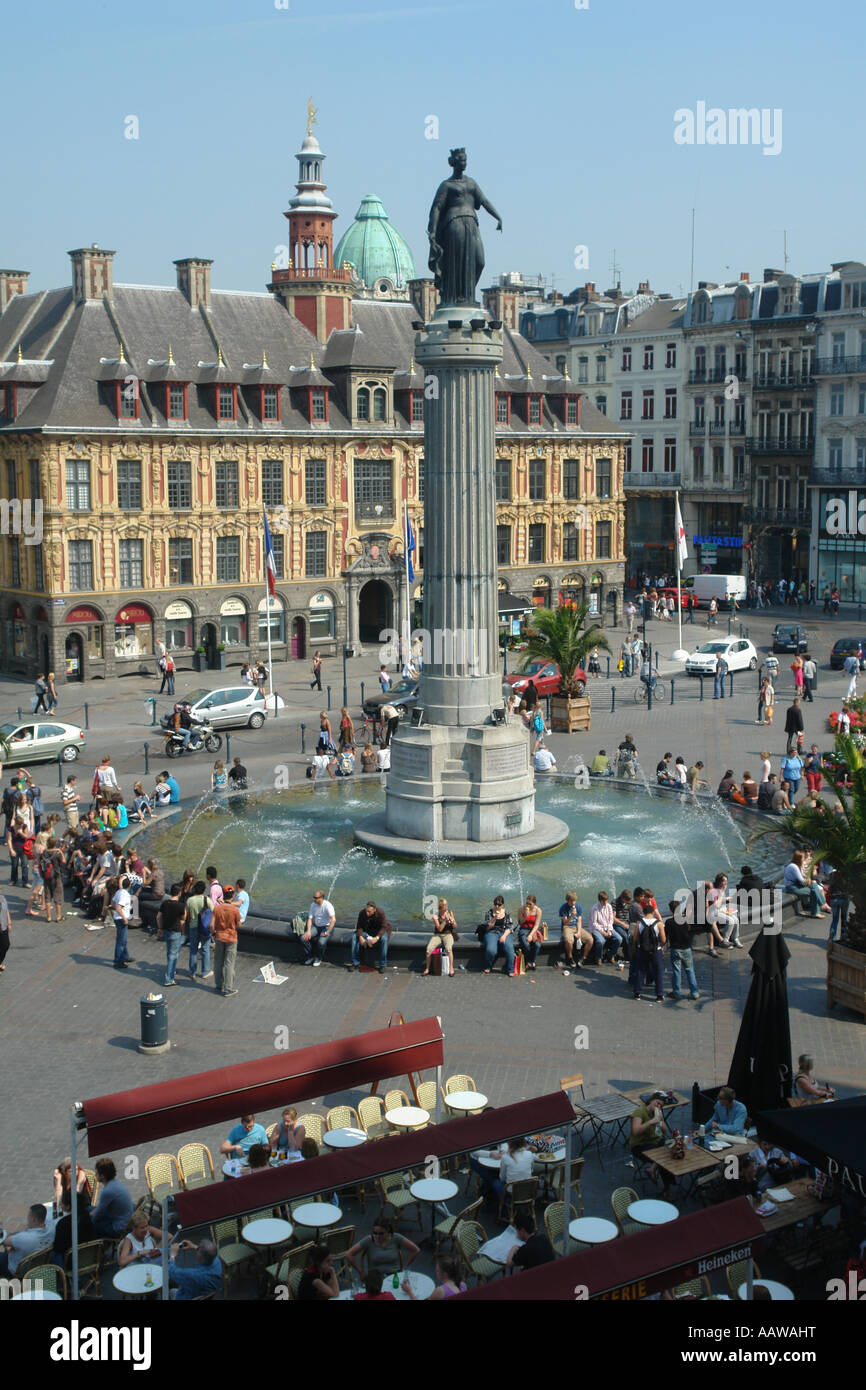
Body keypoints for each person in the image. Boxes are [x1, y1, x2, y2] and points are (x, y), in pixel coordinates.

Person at [347, 1219, 419, 1281]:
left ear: (388, 1231)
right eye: (375, 1233)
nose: (377, 1236)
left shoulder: (396, 1237)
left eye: (381, 1233)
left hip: (393, 1276)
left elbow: (416, 1250)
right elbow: (349, 1254)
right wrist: (361, 1272)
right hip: (375, 1277)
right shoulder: (369, 1240)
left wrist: (404, 1267)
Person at [629, 1093, 673, 1192]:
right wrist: (651, 1122)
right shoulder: (640, 1112)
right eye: (657, 1103)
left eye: (660, 1106)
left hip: (655, 1141)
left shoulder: (657, 1113)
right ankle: (668, 1189)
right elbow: (636, 1131)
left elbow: (665, 1131)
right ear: (651, 1100)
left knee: (671, 1148)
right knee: (663, 1160)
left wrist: (660, 1121)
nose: (658, 1106)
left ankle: (652, 1169)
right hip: (640, 1145)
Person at [0, 1204, 53, 1276]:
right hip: (36, 1268)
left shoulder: (24, 1238)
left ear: (33, 1219)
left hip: (16, 1270)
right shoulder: (51, 1230)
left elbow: (4, 1241)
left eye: (28, 1216)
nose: (27, 1218)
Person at [632, 893, 665, 1001]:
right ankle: (659, 995)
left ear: (644, 912)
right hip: (656, 950)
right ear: (652, 912)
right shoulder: (658, 923)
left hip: (642, 950)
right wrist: (661, 945)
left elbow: (635, 937)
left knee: (641, 970)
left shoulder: (639, 923)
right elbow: (663, 939)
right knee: (658, 971)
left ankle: (638, 993)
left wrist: (639, 945)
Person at [665, 898, 700, 1000]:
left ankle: (677, 992)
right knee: (690, 970)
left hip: (675, 949)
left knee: (677, 971)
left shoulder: (669, 922)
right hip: (686, 948)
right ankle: (694, 992)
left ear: (671, 910)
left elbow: (666, 935)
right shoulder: (685, 920)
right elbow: (689, 929)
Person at [212, 883, 241, 995]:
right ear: (232, 896)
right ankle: (228, 988)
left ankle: (219, 985)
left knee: (218, 961)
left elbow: (211, 925)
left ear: (223, 895)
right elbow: (238, 925)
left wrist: (214, 933)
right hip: (231, 938)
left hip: (219, 937)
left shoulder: (217, 908)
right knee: (229, 963)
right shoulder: (235, 910)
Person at [157, 882, 187, 987]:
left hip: (166, 931)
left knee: (169, 952)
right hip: (176, 932)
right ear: (179, 893)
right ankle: (169, 979)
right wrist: (183, 933)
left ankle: (172, 970)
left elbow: (158, 916)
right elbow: (183, 920)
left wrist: (160, 928)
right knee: (173, 955)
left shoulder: (165, 903)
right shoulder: (181, 906)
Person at [350, 900, 391, 973]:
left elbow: (384, 927)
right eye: (366, 911)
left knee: (385, 939)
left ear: (374, 910)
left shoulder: (380, 913)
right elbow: (359, 926)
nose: (367, 913)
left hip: (378, 931)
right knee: (354, 937)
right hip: (367, 931)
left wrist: (377, 937)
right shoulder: (362, 913)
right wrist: (360, 937)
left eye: (369, 911)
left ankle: (383, 964)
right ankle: (355, 962)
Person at [784, 851, 827, 918]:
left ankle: (819, 907)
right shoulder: (793, 867)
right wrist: (810, 881)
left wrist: (804, 869)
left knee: (814, 886)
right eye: (803, 858)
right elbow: (802, 880)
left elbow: (804, 877)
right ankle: (819, 907)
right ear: (798, 858)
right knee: (814, 890)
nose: (804, 859)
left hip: (798, 885)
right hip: (792, 887)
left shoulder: (799, 865)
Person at [421, 897, 457, 976]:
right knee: (428, 949)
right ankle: (427, 968)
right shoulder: (435, 915)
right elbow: (439, 929)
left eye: (446, 905)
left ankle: (451, 968)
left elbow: (455, 926)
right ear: (440, 907)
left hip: (448, 934)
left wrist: (452, 920)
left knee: (449, 948)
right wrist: (445, 921)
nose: (446, 907)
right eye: (444, 906)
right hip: (438, 935)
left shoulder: (450, 913)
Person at [402, 1256, 466, 1299]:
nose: (436, 1272)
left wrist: (409, 1291)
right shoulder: (463, 1285)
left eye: (437, 1270)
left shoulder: (440, 1291)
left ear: (445, 1274)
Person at [482, 894, 516, 974]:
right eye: (495, 904)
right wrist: (494, 918)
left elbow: (510, 926)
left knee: (509, 949)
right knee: (491, 950)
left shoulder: (506, 912)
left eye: (499, 905)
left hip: (504, 932)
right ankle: (488, 966)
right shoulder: (489, 912)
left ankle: (510, 969)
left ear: (502, 905)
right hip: (492, 932)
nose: (497, 906)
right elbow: (488, 927)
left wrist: (504, 936)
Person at [185, 879, 212, 979]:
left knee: (193, 949)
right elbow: (214, 912)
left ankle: (192, 972)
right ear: (204, 890)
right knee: (205, 949)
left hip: (193, 926)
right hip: (204, 927)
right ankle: (205, 972)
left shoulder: (190, 900)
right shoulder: (206, 900)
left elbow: (186, 914)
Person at [558, 891, 592, 969]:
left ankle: (583, 958)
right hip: (567, 927)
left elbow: (579, 921)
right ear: (567, 900)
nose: (573, 903)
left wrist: (579, 931)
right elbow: (565, 923)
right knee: (569, 941)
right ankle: (570, 958)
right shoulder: (563, 908)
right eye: (571, 901)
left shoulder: (578, 907)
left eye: (574, 901)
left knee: (590, 939)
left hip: (576, 926)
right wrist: (572, 916)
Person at [707, 872, 741, 947]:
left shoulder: (721, 888)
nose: (726, 883)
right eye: (724, 881)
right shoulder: (713, 891)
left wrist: (726, 899)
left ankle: (735, 938)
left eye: (726, 881)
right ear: (719, 882)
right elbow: (716, 905)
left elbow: (720, 900)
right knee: (731, 921)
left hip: (721, 909)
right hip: (714, 912)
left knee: (736, 919)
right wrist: (722, 893)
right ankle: (725, 941)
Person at [303, 889, 336, 966]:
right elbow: (310, 919)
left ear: (321, 898)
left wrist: (327, 932)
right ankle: (311, 956)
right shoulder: (313, 905)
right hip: (317, 926)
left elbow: (333, 920)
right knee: (303, 938)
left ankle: (319, 958)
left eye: (316, 897)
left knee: (321, 942)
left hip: (327, 927)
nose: (314, 899)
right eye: (314, 897)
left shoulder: (328, 906)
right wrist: (308, 931)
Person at [111, 874, 134, 970]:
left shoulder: (119, 892)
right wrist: (124, 918)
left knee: (122, 939)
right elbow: (118, 907)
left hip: (117, 918)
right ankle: (118, 961)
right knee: (121, 941)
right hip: (121, 920)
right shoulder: (125, 895)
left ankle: (125, 956)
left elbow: (113, 903)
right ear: (129, 886)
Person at [517, 893, 544, 970]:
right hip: (524, 929)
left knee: (537, 945)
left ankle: (530, 962)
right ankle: (531, 962)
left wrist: (531, 935)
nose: (528, 905)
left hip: (533, 930)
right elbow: (520, 923)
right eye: (527, 903)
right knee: (526, 944)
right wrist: (525, 916)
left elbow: (536, 925)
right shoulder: (521, 909)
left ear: (534, 903)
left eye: (530, 904)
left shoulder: (538, 910)